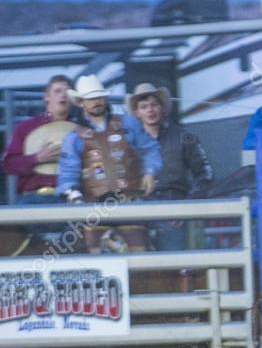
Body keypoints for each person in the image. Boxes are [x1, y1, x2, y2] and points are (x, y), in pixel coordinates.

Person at [56, 75, 162, 252]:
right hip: (94, 207)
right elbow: (67, 171)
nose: (97, 102)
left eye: (99, 97)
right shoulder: (74, 137)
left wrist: (150, 171)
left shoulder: (128, 123)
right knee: (92, 253)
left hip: (130, 201)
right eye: (91, 99)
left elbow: (150, 148)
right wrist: (72, 193)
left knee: (140, 248)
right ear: (81, 102)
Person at [128, 82, 214, 251]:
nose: (150, 110)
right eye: (144, 107)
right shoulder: (128, 142)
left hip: (175, 203)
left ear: (162, 108)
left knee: (174, 254)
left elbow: (205, 174)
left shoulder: (184, 136)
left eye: (154, 105)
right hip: (139, 207)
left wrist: (188, 205)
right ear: (137, 113)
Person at [2, 74, 76, 205]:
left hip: (70, 198)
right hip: (33, 198)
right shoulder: (25, 128)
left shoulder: (81, 130)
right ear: (47, 97)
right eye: (58, 91)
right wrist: (37, 158)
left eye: (67, 92)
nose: (63, 95)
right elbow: (8, 164)